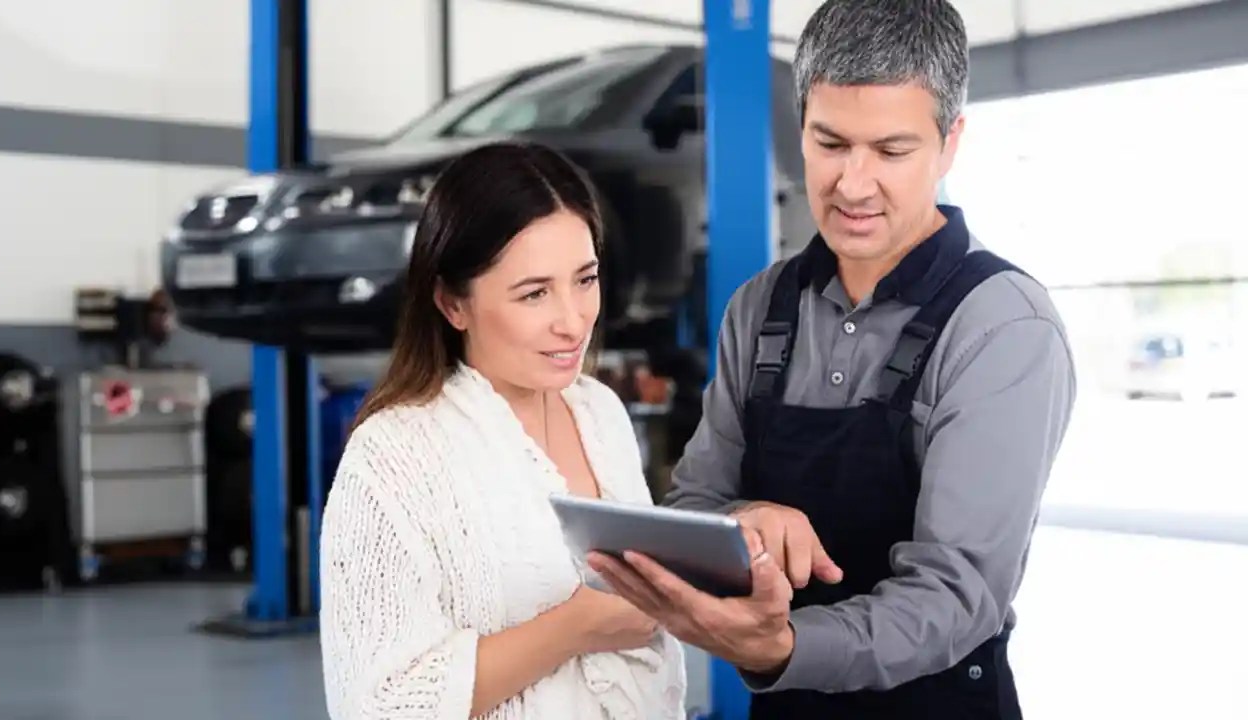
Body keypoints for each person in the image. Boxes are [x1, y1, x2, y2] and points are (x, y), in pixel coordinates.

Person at [588, 1, 1076, 718]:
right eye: (830, 143)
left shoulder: (1003, 326)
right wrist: (746, 518)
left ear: (950, 143)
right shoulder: (758, 308)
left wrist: (783, 649)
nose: (852, 184)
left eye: (890, 150)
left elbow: (955, 593)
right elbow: (695, 501)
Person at [318, 142, 687, 720]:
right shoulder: (393, 456)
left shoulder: (600, 413)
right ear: (451, 303)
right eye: (534, 293)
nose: (572, 321)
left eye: (585, 280)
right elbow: (377, 707)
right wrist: (576, 626)